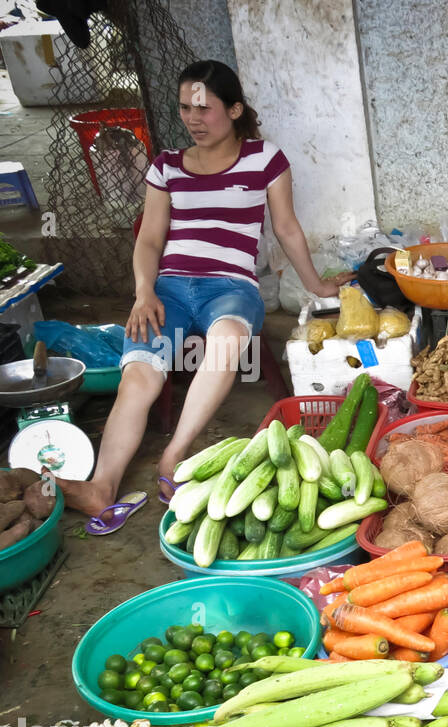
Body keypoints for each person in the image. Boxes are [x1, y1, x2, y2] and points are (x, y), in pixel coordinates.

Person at [57, 60, 346, 524]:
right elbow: (149, 239)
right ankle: (101, 485)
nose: (193, 118)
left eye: (204, 108)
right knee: (139, 376)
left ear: (234, 110)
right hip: (167, 289)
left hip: (230, 288)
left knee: (228, 340)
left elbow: (287, 228)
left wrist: (316, 285)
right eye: (185, 108)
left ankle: (175, 455)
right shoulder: (166, 166)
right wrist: (143, 292)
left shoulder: (264, 160)